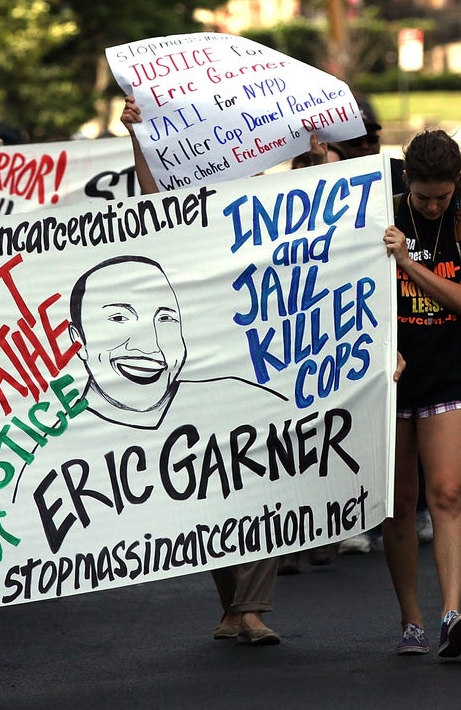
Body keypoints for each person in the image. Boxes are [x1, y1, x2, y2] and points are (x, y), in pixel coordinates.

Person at [118, 98, 286, 645]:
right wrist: (140, 138)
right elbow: (151, 205)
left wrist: (315, 160)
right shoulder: (185, 211)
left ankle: (252, 608)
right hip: (199, 368)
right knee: (213, 480)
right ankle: (233, 606)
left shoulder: (267, 204)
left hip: (259, 360)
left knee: (265, 476)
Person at [382, 129, 461, 657]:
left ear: (458, 183)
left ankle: (453, 612)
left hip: (450, 372)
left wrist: (409, 264)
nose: (432, 206)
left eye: (443, 195)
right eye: (423, 196)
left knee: (447, 493)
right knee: (399, 504)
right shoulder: (381, 215)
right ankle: (412, 618)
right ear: (407, 181)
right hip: (393, 375)